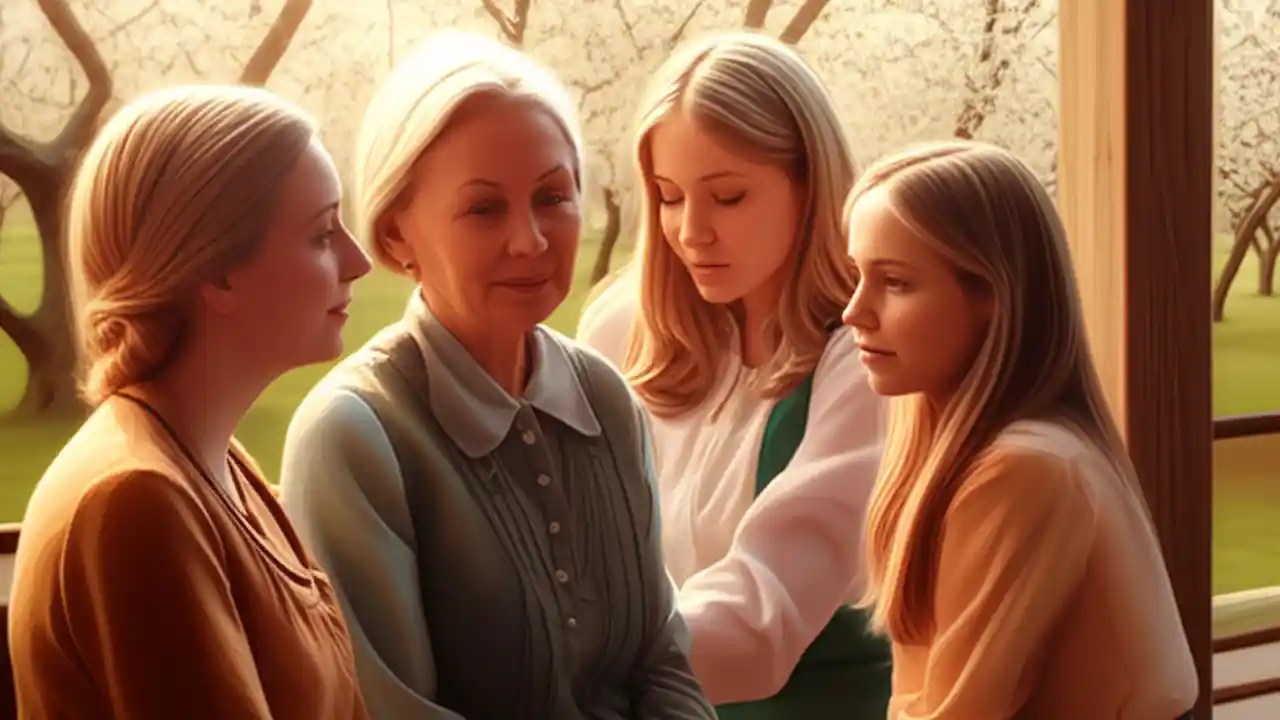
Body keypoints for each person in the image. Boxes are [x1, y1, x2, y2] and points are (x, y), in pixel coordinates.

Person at [278, 31, 715, 720]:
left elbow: (662, 661)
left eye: (553, 197)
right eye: (485, 209)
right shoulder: (356, 438)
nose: (531, 241)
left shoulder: (606, 397)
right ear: (396, 235)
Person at [7, 85, 373, 718]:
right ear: (216, 270)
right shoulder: (135, 506)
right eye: (321, 234)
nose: (359, 260)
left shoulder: (218, 462)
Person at [577, 31, 891, 718]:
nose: (691, 231)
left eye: (728, 197)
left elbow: (764, 615)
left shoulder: (867, 358)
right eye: (668, 196)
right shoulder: (617, 330)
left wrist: (564, 667)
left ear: (810, 185)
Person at [842, 139, 1199, 719]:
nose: (854, 310)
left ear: (992, 295)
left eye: (897, 282)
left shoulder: (1027, 468)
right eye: (857, 275)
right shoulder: (988, 455)